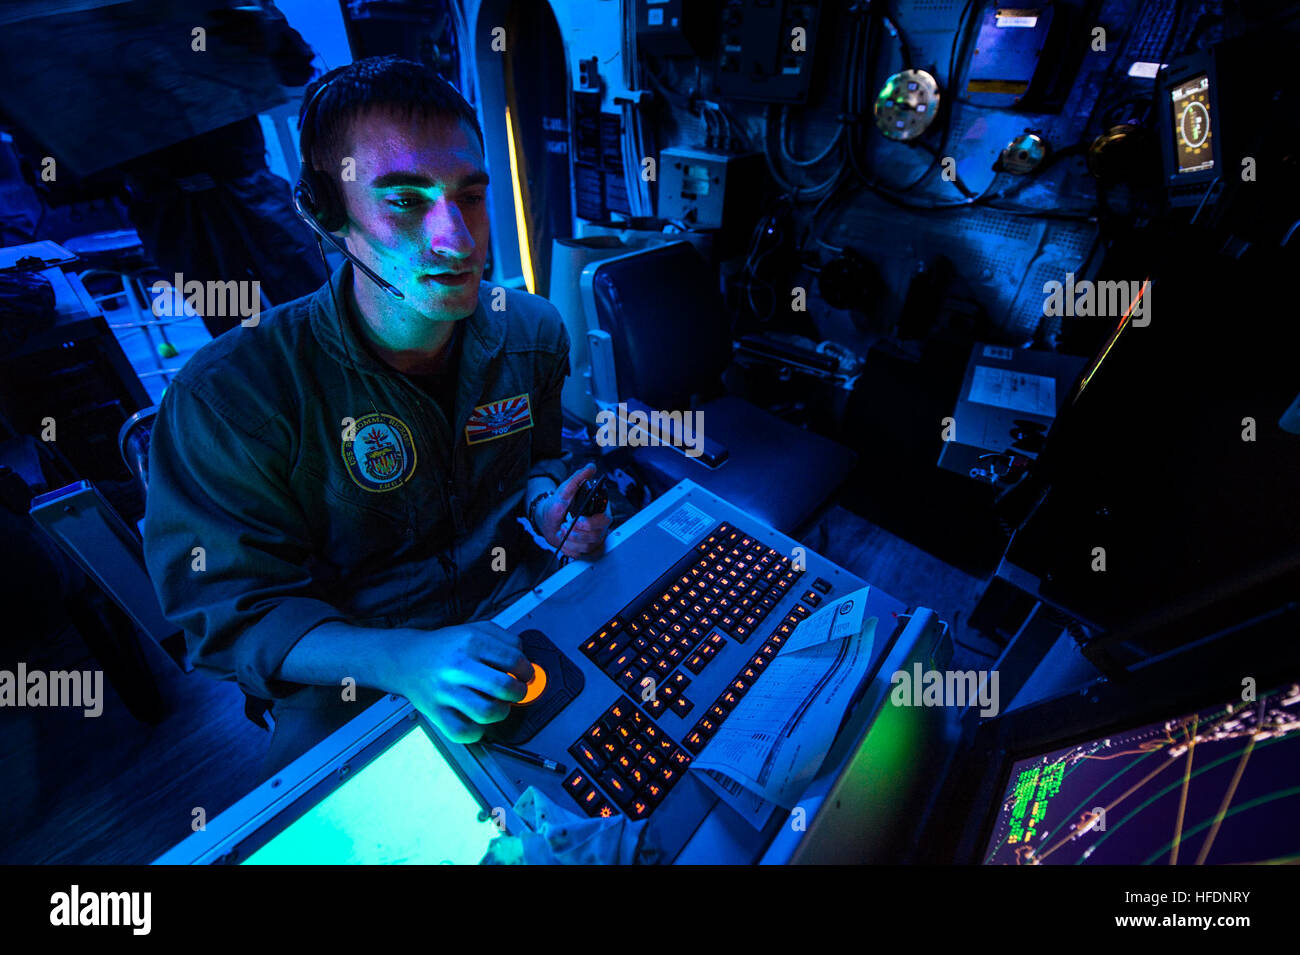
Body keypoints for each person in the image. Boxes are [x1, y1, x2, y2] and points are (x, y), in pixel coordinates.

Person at [143, 56, 611, 778]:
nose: (457, 241)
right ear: (325, 213)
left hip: (513, 619)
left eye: (471, 195)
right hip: (346, 674)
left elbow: (540, 456)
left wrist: (548, 502)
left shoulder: (535, 331)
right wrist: (403, 657)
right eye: (404, 201)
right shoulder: (231, 397)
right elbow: (232, 613)